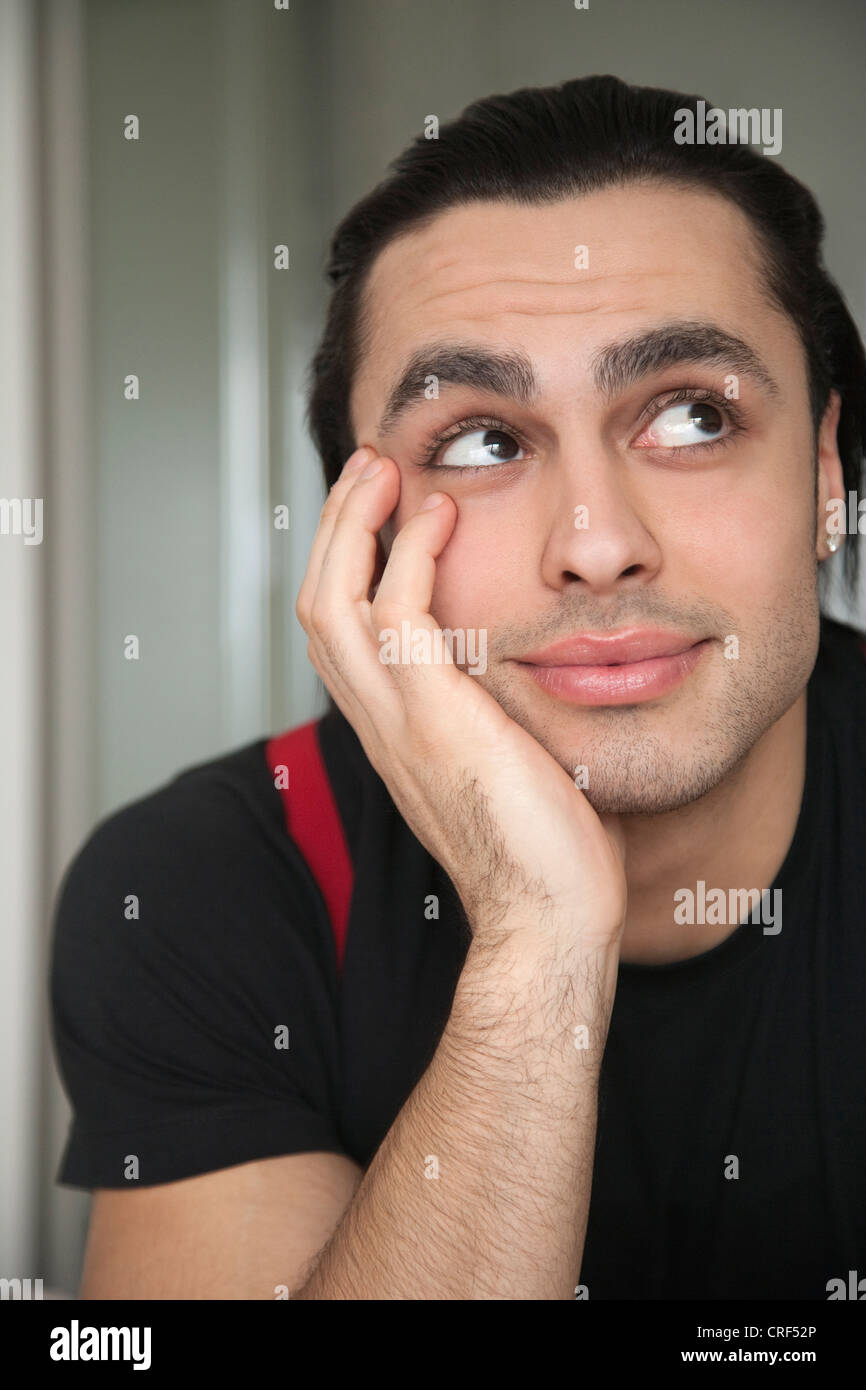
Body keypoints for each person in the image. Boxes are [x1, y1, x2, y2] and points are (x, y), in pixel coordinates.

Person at [50, 74, 866, 1300]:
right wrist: (540, 942)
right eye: (482, 442)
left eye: (692, 415)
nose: (596, 542)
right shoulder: (205, 884)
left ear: (820, 472)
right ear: (362, 540)